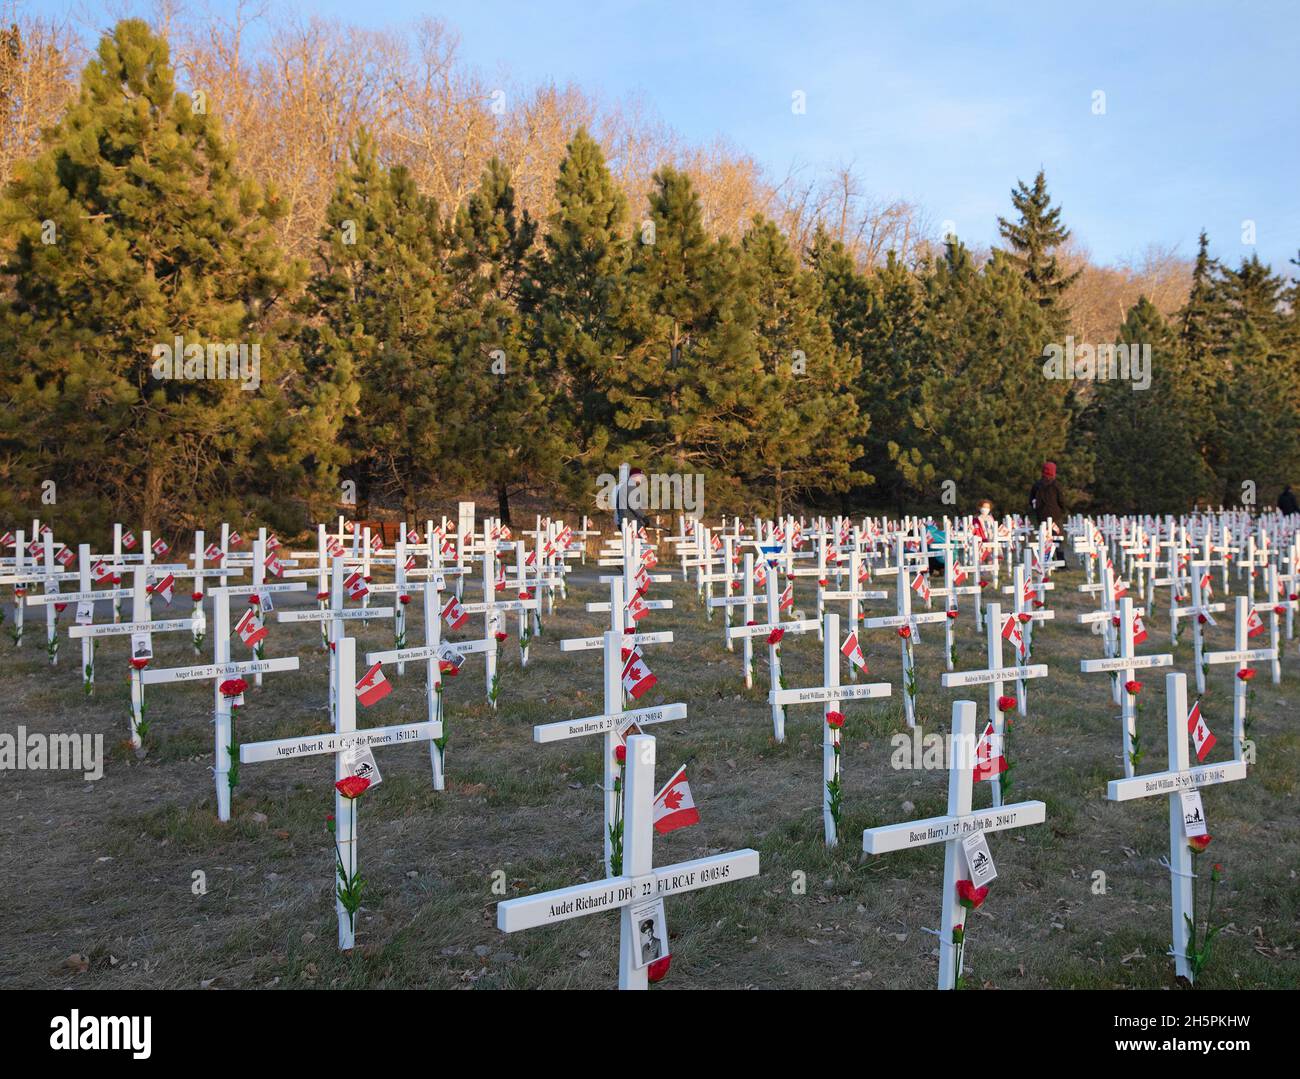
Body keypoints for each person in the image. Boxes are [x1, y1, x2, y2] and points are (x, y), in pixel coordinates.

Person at [1029, 462, 1066, 527]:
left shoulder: (1036, 485)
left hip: (1041, 516)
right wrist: (1063, 510)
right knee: (1057, 536)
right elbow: (1061, 500)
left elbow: (1031, 501)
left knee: (1043, 535)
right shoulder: (1056, 485)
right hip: (1056, 516)